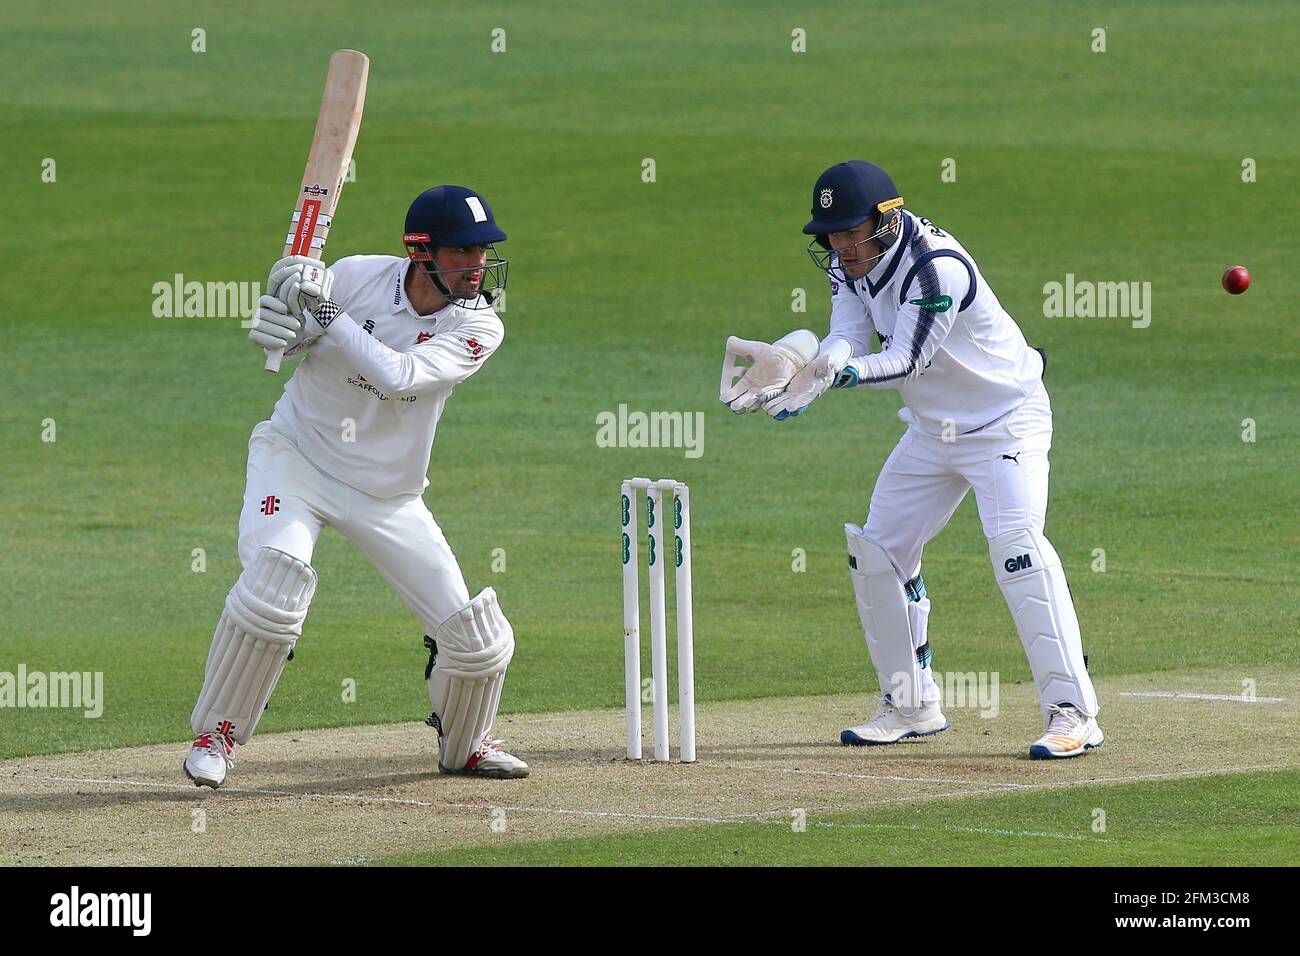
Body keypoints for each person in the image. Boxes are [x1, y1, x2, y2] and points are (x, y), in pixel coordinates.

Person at [723, 160, 1101, 759]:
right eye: (832, 235)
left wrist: (836, 376)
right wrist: (801, 370)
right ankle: (911, 704)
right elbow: (846, 334)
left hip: (1006, 422)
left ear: (888, 218)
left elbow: (906, 359)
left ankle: (1073, 713)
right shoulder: (851, 266)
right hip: (933, 429)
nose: (841, 246)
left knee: (1018, 550)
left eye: (851, 232)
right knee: (879, 551)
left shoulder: (938, 269)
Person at [184, 184, 528, 787]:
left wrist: (322, 313)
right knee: (273, 590)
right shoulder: (353, 276)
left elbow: (399, 376)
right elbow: (303, 341)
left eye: (484, 251)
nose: (478, 265)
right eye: (463, 252)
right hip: (297, 459)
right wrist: (277, 323)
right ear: (421, 253)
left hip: (388, 493)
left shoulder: (480, 326)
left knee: (475, 641)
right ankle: (217, 735)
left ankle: (466, 746)